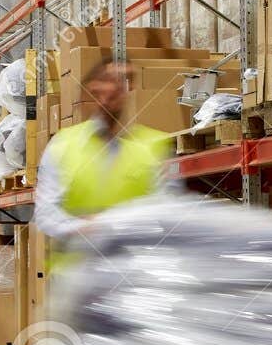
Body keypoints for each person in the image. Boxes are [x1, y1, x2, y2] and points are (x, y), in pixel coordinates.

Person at [33, 59, 173, 263]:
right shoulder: (63, 145)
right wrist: (87, 228)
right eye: (110, 79)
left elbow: (168, 213)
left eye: (126, 80)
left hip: (136, 277)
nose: (118, 87)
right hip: (77, 280)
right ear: (93, 89)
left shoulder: (156, 145)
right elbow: (46, 215)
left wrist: (113, 225)